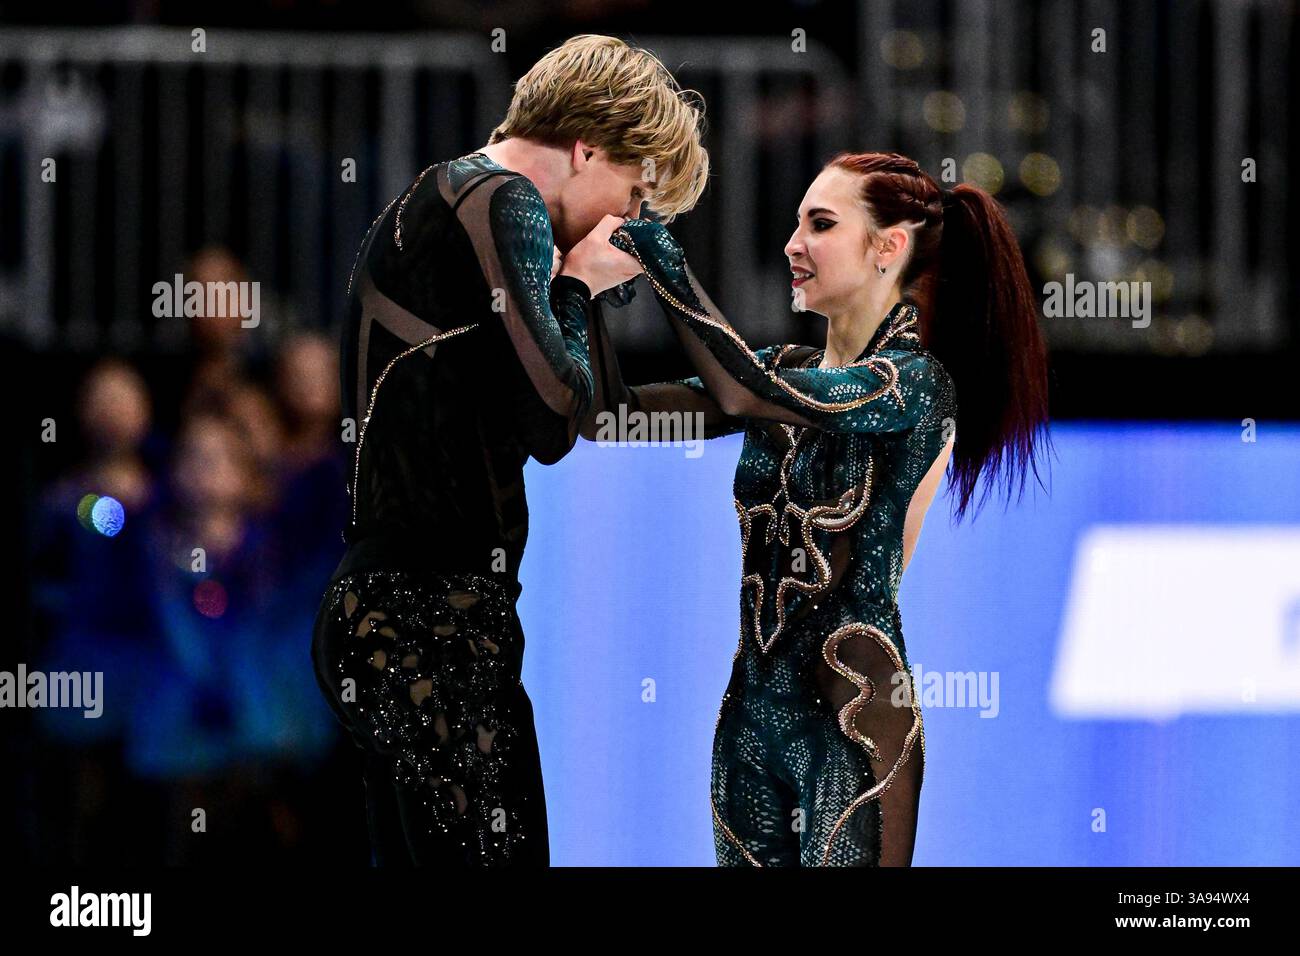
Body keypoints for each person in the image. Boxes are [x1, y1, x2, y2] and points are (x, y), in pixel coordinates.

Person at [578, 151, 1052, 865]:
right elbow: (609, 416)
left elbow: (743, 396)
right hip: (746, 719)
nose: (794, 244)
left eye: (821, 224)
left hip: (855, 721)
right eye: (797, 222)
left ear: (888, 247)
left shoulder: (917, 385)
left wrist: (664, 265)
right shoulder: (782, 369)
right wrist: (582, 289)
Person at [310, 34, 709, 866]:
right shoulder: (504, 201)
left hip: (394, 616)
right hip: (430, 619)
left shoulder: (456, 203)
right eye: (633, 196)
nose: (628, 225)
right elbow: (556, 418)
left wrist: (754, 403)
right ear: (587, 145)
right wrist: (577, 286)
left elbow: (605, 415)